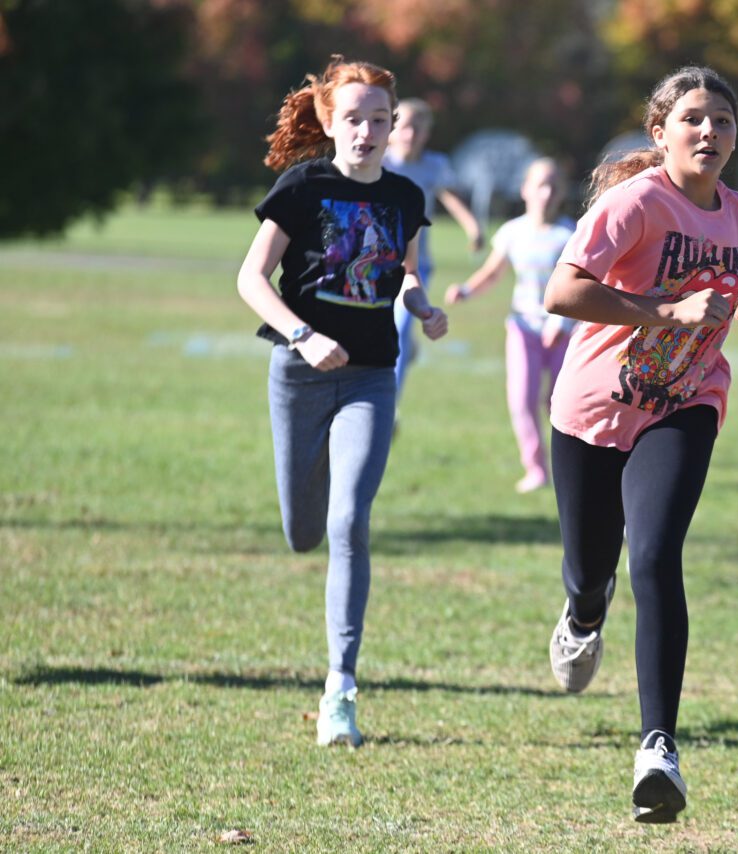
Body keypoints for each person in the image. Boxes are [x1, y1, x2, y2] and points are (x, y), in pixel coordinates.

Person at [541, 66, 738, 824]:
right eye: (693, 118)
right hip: (594, 407)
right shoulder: (635, 203)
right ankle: (584, 614)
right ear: (660, 133)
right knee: (591, 569)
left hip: (686, 400)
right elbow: (561, 293)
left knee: (656, 553)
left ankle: (658, 746)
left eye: (722, 121)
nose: (709, 133)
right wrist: (665, 312)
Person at [236, 57, 448, 748]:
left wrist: (420, 305)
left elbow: (406, 270)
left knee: (350, 519)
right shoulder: (303, 186)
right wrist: (300, 334)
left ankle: (340, 689)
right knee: (305, 531)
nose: (366, 132)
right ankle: (314, 488)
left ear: (394, 126)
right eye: (353, 119)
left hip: (368, 379)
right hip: (298, 376)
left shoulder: (405, 196)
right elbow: (249, 277)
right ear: (328, 120)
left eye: (379, 120)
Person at [444, 158, 576, 493]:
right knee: (521, 400)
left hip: (563, 331)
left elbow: (578, 285)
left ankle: (570, 467)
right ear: (525, 190)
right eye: (539, 185)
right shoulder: (513, 231)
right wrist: (466, 290)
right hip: (522, 327)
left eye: (553, 186)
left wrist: (561, 322)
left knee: (559, 404)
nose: (545, 193)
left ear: (561, 193)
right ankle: (535, 469)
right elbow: (492, 272)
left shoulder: (570, 234)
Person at [385, 98, 484, 399]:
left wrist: (472, 226)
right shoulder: (379, 161)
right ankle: (406, 350)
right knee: (385, 328)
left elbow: (449, 196)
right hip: (375, 260)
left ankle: (390, 403)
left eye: (418, 128)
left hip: (415, 263)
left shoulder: (434, 165)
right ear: (391, 128)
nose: (411, 134)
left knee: (401, 328)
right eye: (404, 127)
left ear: (427, 132)